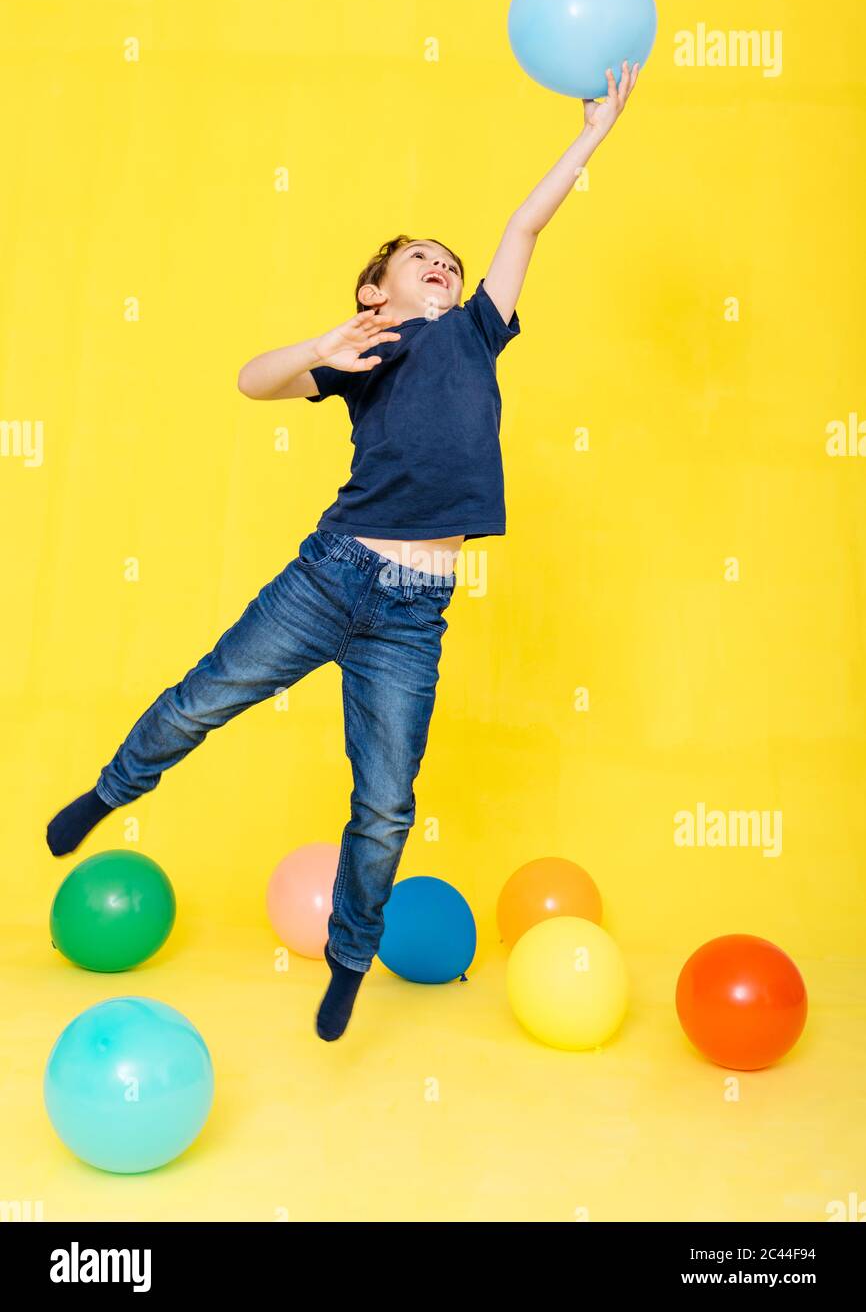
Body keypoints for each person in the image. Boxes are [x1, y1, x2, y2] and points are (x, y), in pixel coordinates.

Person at [46, 63, 640, 1040]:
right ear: (376, 288)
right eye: (419, 258)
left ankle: (350, 958)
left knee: (385, 799)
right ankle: (109, 792)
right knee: (205, 695)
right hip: (331, 576)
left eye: (448, 258)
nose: (441, 264)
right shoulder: (366, 348)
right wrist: (319, 349)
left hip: (414, 606)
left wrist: (591, 134)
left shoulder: (473, 333)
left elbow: (525, 225)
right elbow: (250, 381)